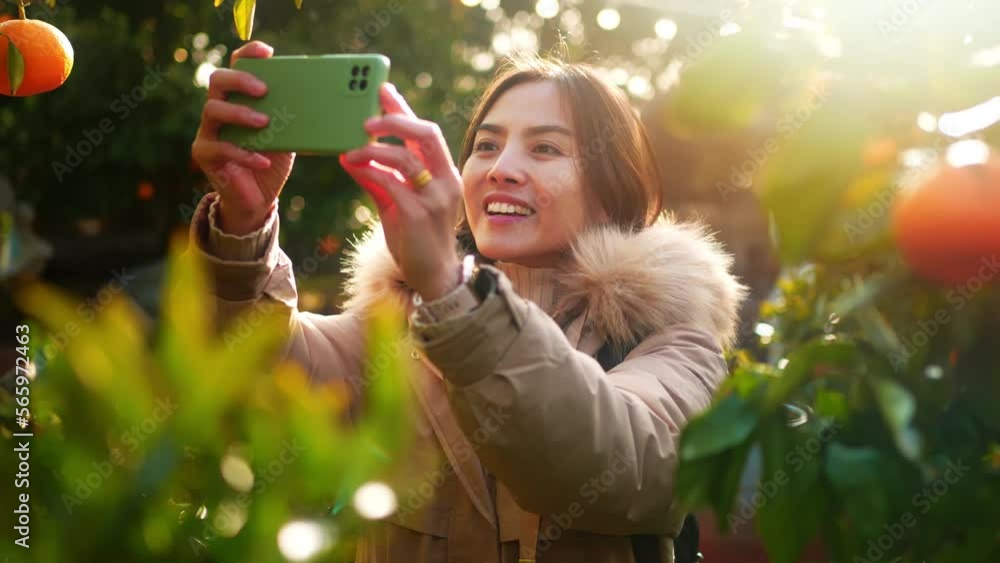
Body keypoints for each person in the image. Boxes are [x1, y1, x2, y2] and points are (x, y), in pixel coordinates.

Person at [189, 40, 747, 563]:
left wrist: (451, 289)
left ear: (612, 194)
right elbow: (255, 386)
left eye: (546, 147)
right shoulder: (397, 331)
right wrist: (244, 225)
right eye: (486, 145)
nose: (501, 167)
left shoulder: (676, 340)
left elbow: (614, 467)